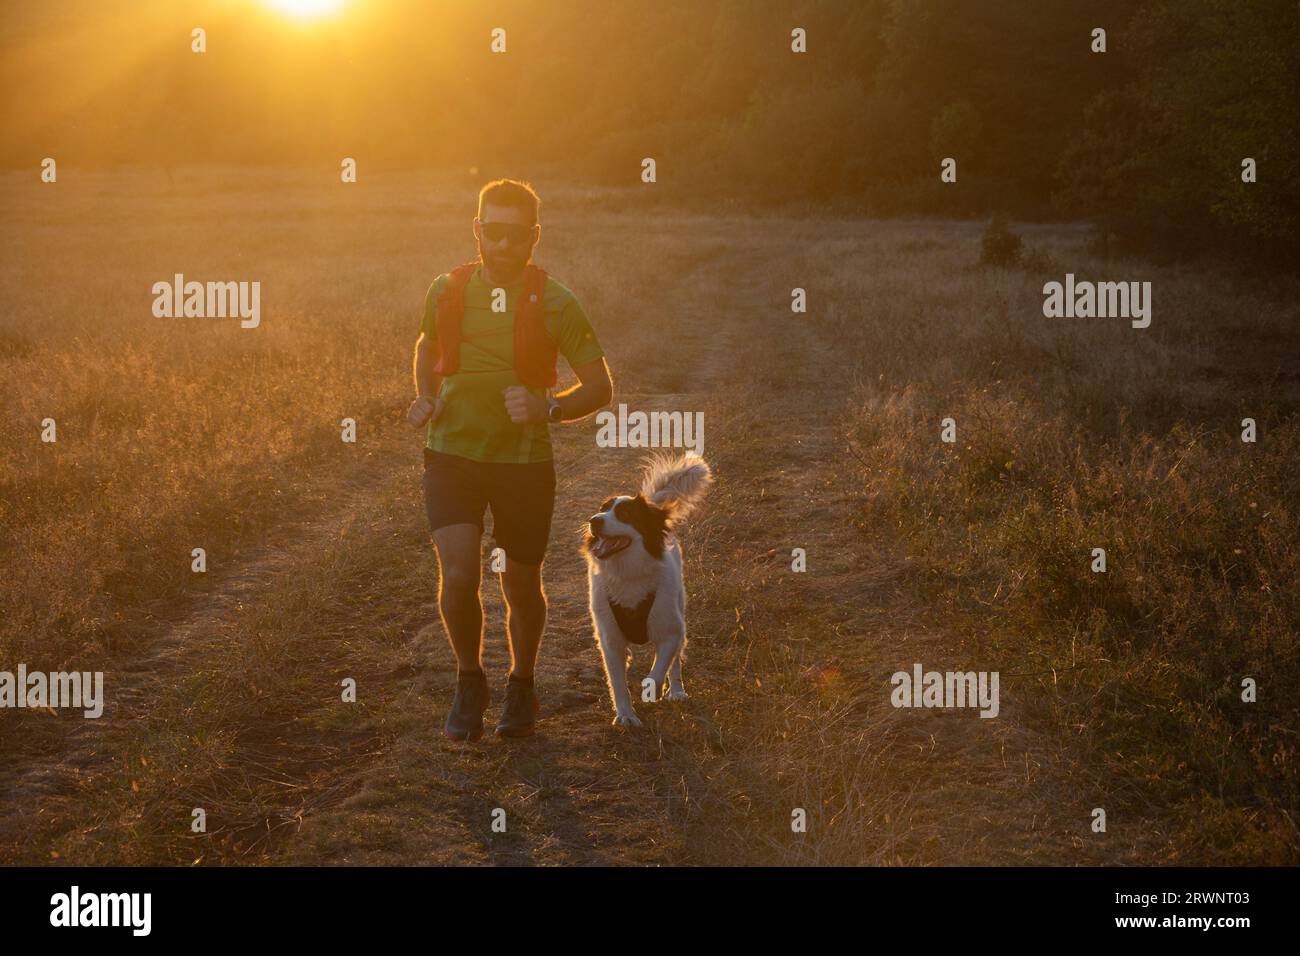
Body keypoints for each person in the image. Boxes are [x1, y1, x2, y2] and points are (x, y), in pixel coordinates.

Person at [407, 179, 613, 740]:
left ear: (534, 236)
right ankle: (469, 681)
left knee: (520, 584)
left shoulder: (556, 300)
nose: (501, 246)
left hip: (523, 464)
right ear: (477, 230)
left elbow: (599, 388)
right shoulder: (444, 290)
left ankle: (521, 685)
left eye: (514, 235)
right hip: (451, 454)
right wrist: (426, 395)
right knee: (457, 572)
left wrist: (548, 407)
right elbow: (427, 346)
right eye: (491, 232)